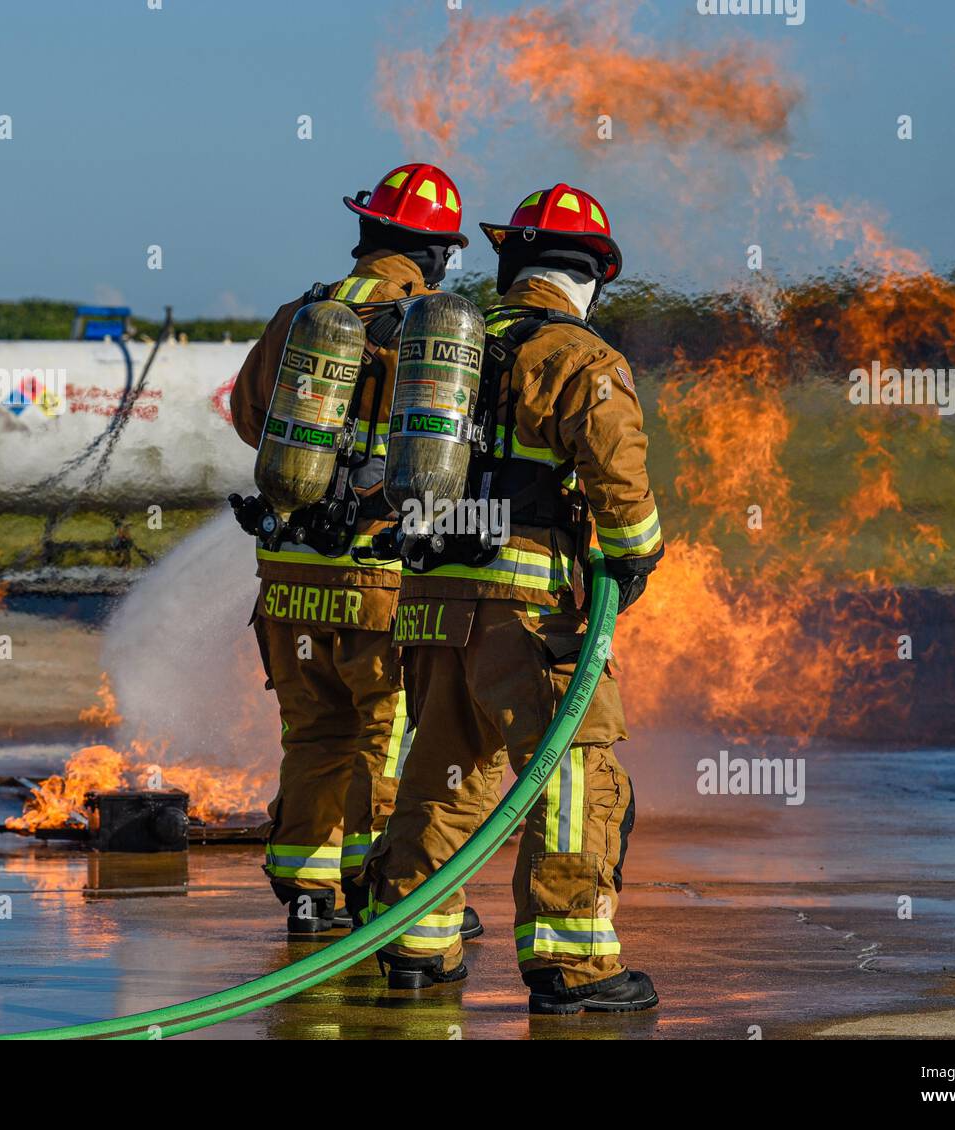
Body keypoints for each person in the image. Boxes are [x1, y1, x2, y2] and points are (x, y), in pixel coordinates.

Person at [365, 184, 663, 1013]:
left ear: (511, 262)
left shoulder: (438, 345)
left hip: (426, 596)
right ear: (594, 272)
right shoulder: (582, 357)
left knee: (439, 772)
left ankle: (418, 948)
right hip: (527, 608)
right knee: (573, 771)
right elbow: (620, 486)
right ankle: (572, 965)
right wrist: (637, 558)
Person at [230, 163, 481, 935]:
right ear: (436, 256)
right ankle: (383, 892)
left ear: (365, 233)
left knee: (313, 732)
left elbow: (247, 419)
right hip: (380, 576)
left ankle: (307, 893)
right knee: (387, 738)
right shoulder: (436, 333)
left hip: (287, 575)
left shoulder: (299, 318)